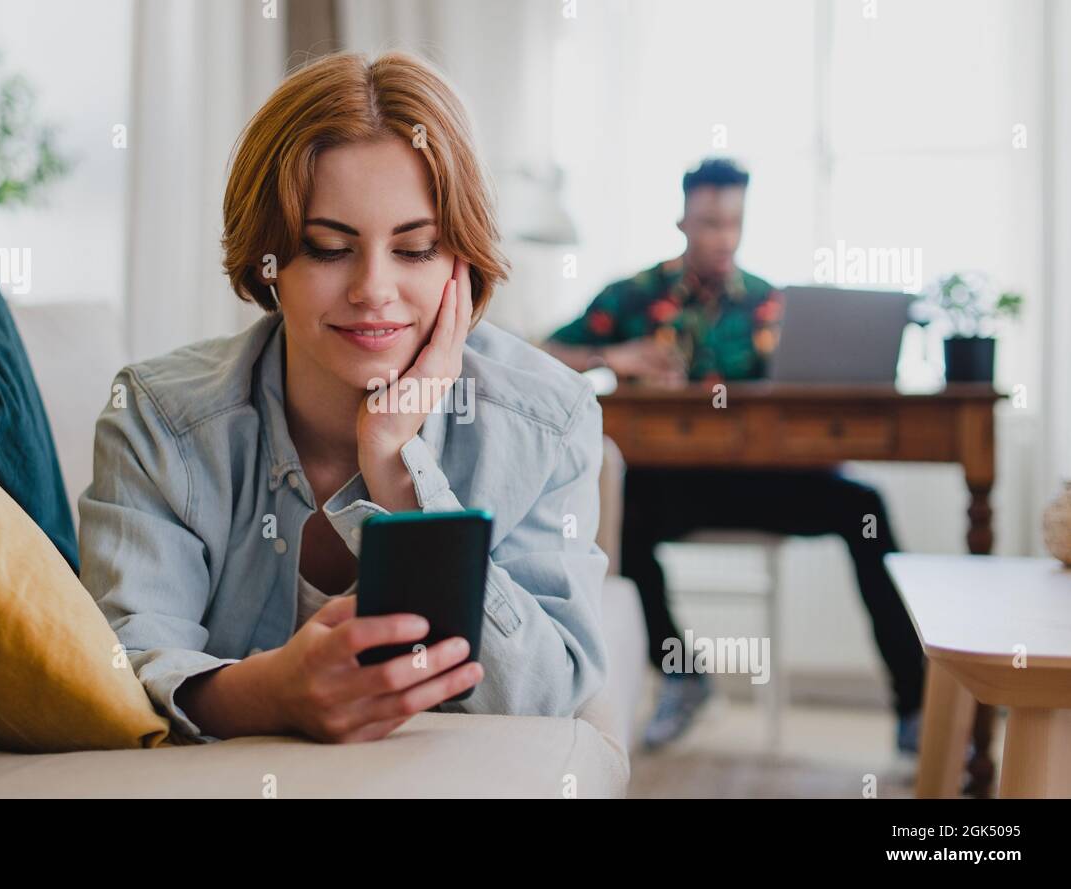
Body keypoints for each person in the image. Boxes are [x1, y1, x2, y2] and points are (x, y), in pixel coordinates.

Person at [78, 51, 609, 745]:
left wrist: (399, 468)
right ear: (269, 265)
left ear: (462, 262)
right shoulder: (159, 421)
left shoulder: (548, 421)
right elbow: (118, 672)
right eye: (329, 248)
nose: (373, 290)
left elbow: (547, 693)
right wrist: (267, 694)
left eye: (415, 248)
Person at [543, 158, 925, 752]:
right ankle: (681, 676)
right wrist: (611, 357)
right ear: (682, 221)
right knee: (619, 513)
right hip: (672, 486)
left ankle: (918, 707)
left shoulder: (775, 305)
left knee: (864, 507)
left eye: (734, 223)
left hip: (766, 483)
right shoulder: (632, 297)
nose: (723, 237)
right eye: (709, 222)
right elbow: (537, 354)